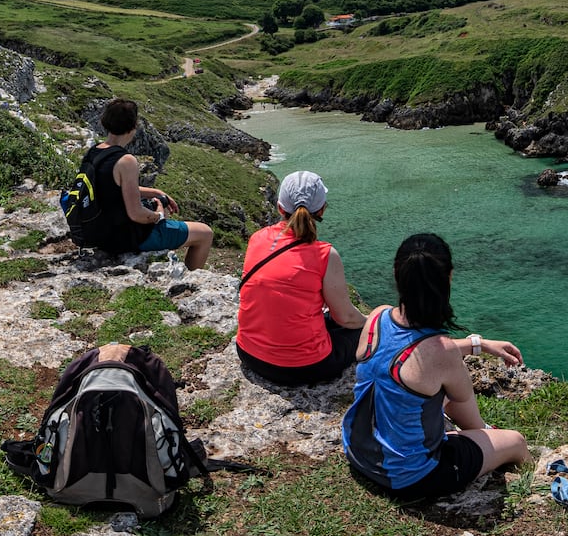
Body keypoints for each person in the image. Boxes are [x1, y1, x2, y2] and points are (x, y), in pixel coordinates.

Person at [342, 233, 530, 503]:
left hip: (359, 454)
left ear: (397, 274)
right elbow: (471, 424)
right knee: (516, 441)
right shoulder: (440, 353)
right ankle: (538, 484)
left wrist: (478, 344)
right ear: (449, 278)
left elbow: (419, 351)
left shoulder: (376, 318)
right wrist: (491, 437)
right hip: (411, 478)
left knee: (430, 395)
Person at [234, 170, 367, 387]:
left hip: (249, 354)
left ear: (279, 208)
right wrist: (369, 324)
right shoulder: (324, 254)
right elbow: (346, 318)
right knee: (365, 330)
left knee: (328, 321)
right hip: (304, 367)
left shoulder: (257, 238)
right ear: (322, 209)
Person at [67, 98, 214, 269]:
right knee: (204, 233)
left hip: (99, 234)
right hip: (125, 238)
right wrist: (159, 215)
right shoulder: (126, 161)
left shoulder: (95, 151)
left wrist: (155, 192)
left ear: (104, 121)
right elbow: (136, 214)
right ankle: (192, 278)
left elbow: (111, 188)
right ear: (134, 126)